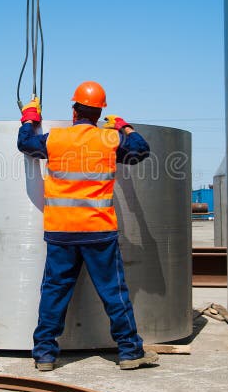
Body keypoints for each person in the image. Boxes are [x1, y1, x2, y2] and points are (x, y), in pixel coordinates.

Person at [17, 81, 158, 371]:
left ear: (74, 111)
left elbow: (26, 143)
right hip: (98, 231)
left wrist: (30, 116)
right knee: (113, 292)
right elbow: (141, 149)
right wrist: (123, 126)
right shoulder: (109, 139)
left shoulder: (56, 139)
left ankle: (44, 354)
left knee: (54, 292)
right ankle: (130, 351)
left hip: (61, 231)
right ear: (99, 114)